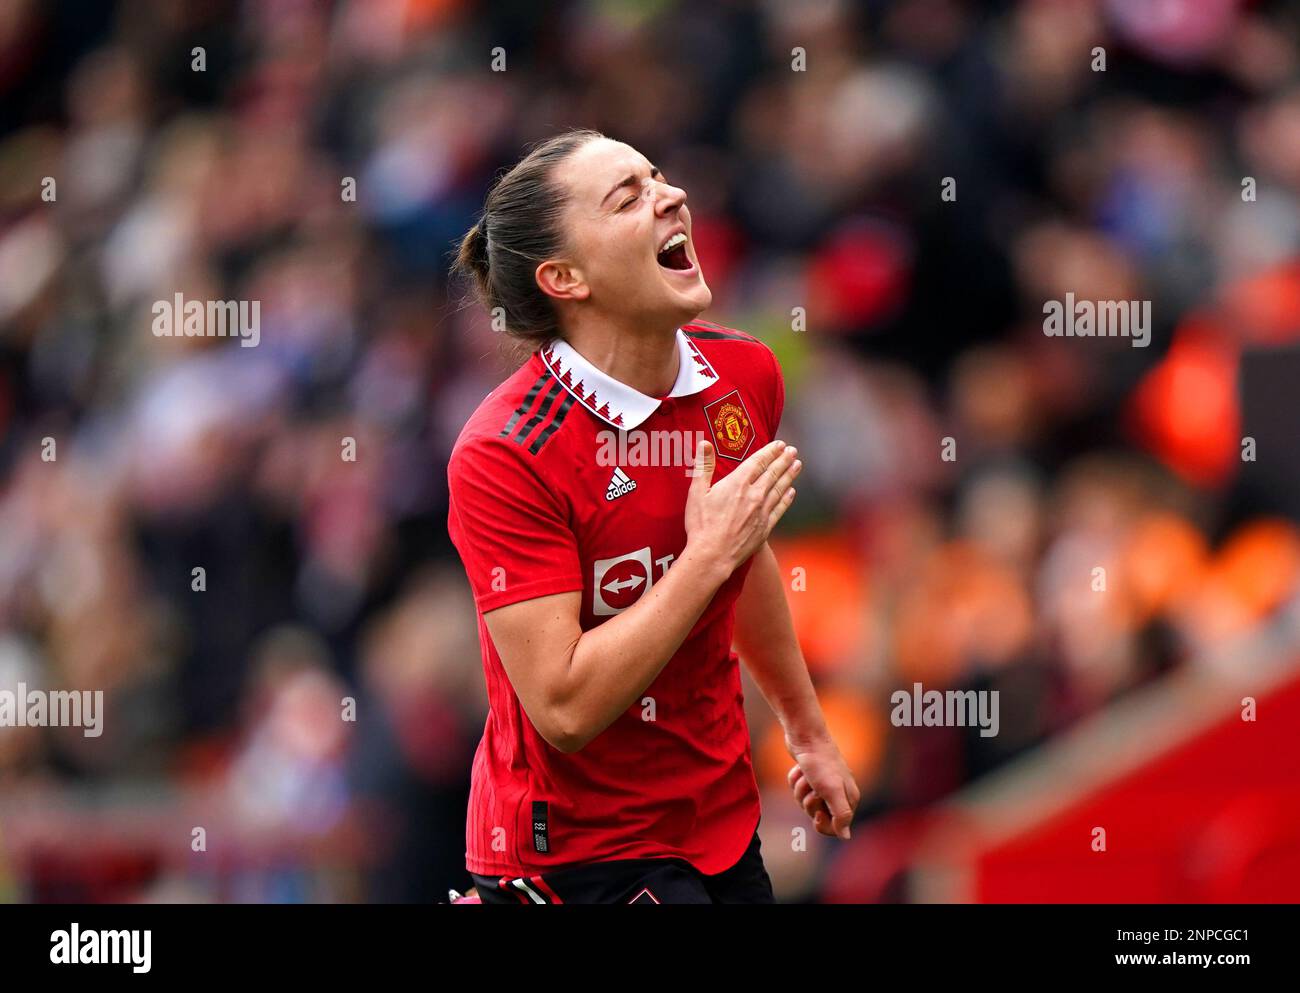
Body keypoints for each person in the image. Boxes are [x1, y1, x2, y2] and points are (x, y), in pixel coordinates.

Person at [446, 128, 859, 904]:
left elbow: (744, 556)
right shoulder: (505, 452)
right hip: (572, 852)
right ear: (565, 277)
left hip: (718, 820)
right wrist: (704, 559)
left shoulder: (745, 373)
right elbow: (564, 706)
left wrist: (806, 732)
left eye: (658, 177)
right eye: (627, 197)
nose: (670, 196)